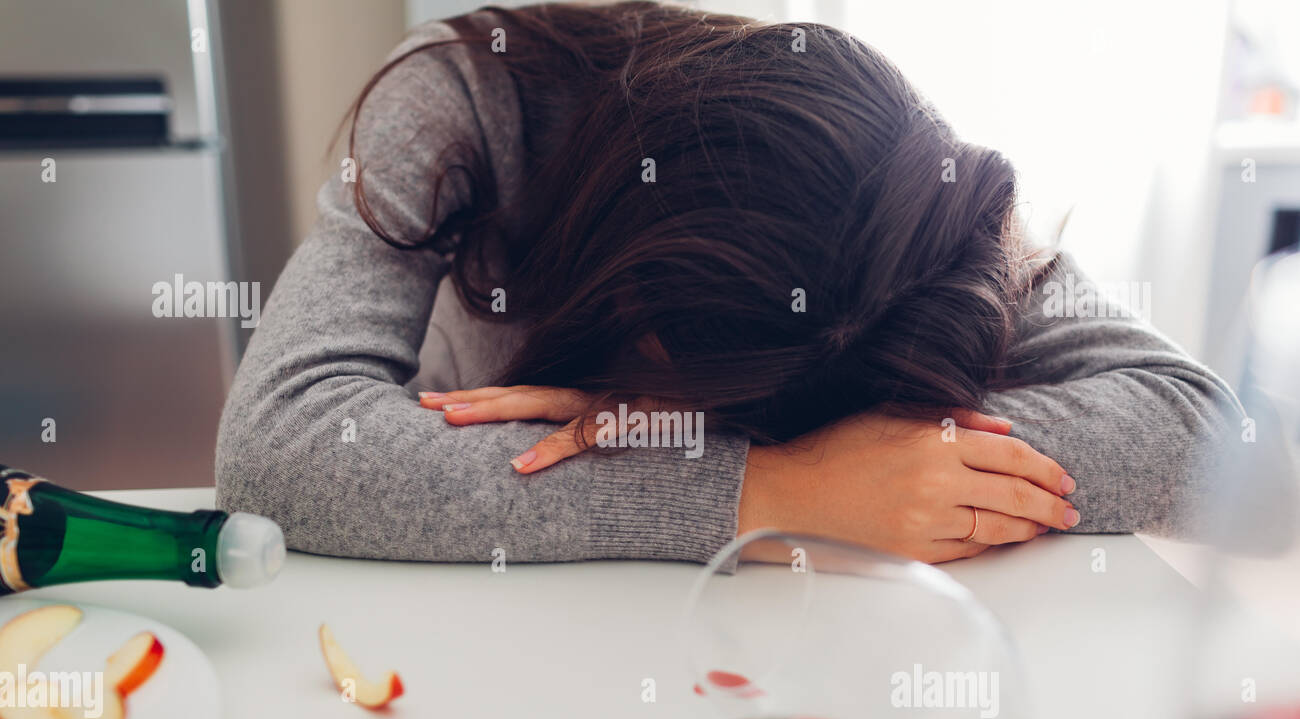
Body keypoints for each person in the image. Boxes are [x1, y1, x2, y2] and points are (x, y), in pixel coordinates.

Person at [216, 2, 1274, 566]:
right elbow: (276, 450)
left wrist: (819, 456)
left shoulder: (909, 203)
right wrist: (765, 489)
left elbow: (1197, 441)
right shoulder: (460, 99)